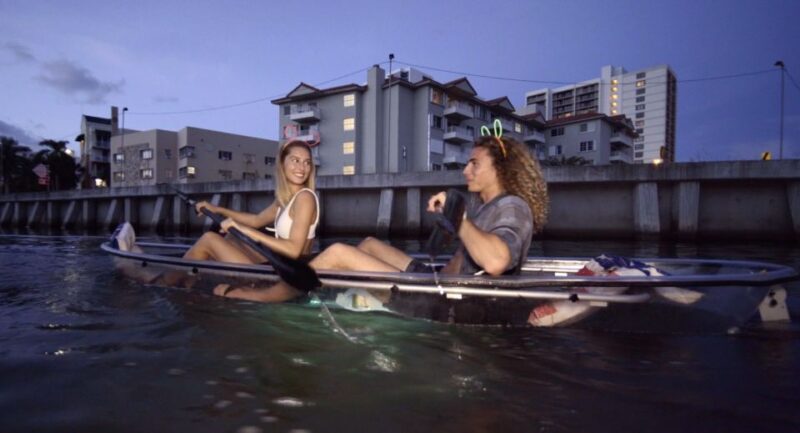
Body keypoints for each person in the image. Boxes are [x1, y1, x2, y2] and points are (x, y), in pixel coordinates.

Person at [215, 134, 548, 302]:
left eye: (474, 163)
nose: (465, 170)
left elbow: (497, 260)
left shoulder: (513, 206)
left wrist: (457, 216)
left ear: (500, 169)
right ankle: (343, 286)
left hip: (439, 294)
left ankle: (266, 298)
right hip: (433, 274)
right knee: (370, 244)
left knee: (336, 253)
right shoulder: (488, 206)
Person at [112, 139, 319, 287]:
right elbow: (256, 220)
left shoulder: (305, 198)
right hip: (277, 264)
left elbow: (293, 250)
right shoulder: (286, 199)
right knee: (229, 237)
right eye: (295, 160)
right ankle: (189, 279)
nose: (302, 167)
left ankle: (161, 281)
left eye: (307, 162)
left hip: (284, 273)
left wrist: (241, 228)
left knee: (210, 239)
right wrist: (216, 208)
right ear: (282, 164)